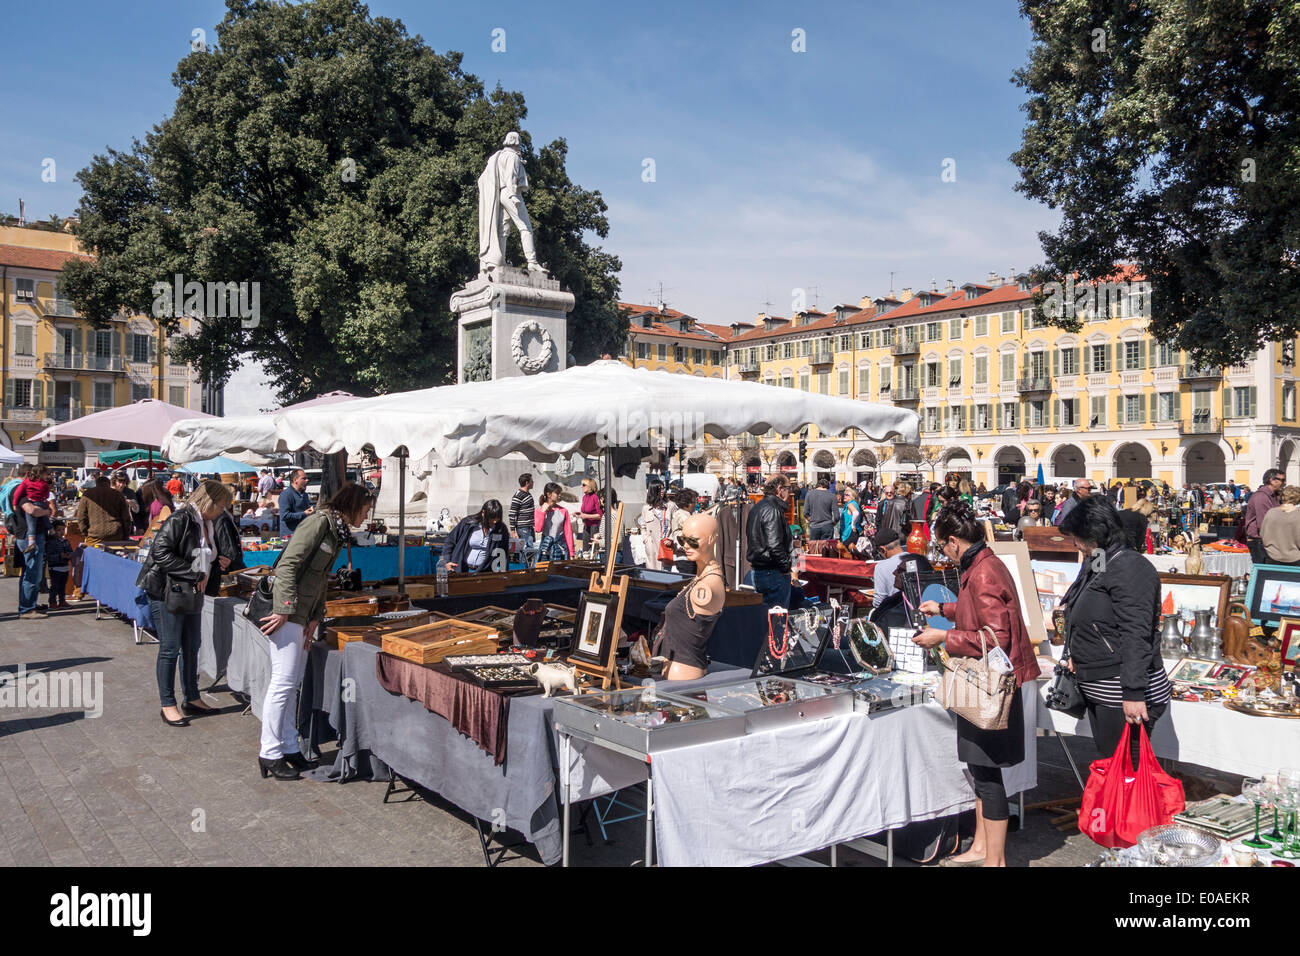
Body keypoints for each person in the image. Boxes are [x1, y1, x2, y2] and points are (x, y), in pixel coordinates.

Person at [914, 501, 1039, 868]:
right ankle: (983, 848)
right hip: (989, 683)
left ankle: (994, 861)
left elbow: (995, 636)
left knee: (987, 773)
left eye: (942, 547)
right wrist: (945, 611)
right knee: (981, 769)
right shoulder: (982, 564)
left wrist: (943, 637)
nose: (944, 555)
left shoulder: (983, 571)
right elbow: (979, 610)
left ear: (953, 541)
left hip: (992, 686)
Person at [258, 483, 375, 779]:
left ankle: (288, 746)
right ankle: (269, 752)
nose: (366, 515)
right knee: (284, 682)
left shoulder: (335, 529)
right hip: (288, 612)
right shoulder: (320, 523)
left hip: (301, 614)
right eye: (365, 509)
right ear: (353, 504)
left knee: (292, 681)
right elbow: (288, 565)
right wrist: (284, 607)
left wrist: (315, 617)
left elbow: (320, 579)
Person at [1058, 496, 1171, 769]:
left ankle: (1129, 813)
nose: (1075, 544)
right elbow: (1089, 611)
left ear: (1093, 534)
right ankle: (1115, 811)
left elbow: (1136, 633)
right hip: (1103, 685)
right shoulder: (1100, 559)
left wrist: (1133, 693)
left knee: (1126, 771)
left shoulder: (1130, 566)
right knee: (1113, 766)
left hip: (1122, 690)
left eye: (1077, 537)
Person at [138, 480, 235, 728]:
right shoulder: (181, 519)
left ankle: (192, 697)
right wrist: (195, 573)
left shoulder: (207, 523)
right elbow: (160, 553)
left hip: (190, 592)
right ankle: (167, 704)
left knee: (192, 645)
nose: (223, 510)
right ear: (210, 502)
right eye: (221, 505)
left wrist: (217, 561)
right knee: (170, 648)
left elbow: (200, 555)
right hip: (167, 592)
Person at [655, 513, 726, 681]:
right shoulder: (700, 578)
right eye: (682, 540)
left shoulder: (707, 586)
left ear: (711, 540)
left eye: (693, 541)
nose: (686, 546)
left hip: (684, 672)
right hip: (682, 669)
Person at [745, 474, 794, 608]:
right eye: (788, 489)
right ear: (779, 489)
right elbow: (775, 546)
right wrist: (786, 567)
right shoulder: (772, 509)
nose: (790, 493)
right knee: (776, 620)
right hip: (772, 572)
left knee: (765, 619)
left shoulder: (759, 507)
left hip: (761, 570)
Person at [444, 500, 510, 572]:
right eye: (491, 519)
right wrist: (447, 561)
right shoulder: (467, 523)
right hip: (461, 569)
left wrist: (503, 572)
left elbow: (503, 553)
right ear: (483, 513)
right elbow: (450, 541)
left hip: (484, 572)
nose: (494, 522)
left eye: (496, 519)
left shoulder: (501, 529)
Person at [75, 475, 133, 548]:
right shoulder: (118, 494)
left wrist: (86, 533)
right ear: (109, 484)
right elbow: (126, 518)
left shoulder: (87, 494)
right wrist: (125, 536)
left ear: (96, 483)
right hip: (115, 535)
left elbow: (81, 517)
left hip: (94, 536)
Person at [1244, 468, 1285, 562]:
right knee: (1263, 572)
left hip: (1269, 540)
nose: (1284, 483)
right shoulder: (1261, 496)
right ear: (1271, 480)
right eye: (1281, 480)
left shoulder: (1275, 495)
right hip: (1260, 541)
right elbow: (1264, 523)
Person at [16, 465, 53, 555]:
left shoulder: (25, 483)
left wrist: (14, 503)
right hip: (40, 503)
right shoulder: (43, 484)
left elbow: (17, 494)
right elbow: (33, 511)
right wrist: (46, 509)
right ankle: (51, 530)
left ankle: (31, 542)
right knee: (40, 520)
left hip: (33, 502)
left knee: (31, 525)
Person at [533, 482, 575, 562]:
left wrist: (571, 553)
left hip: (560, 550)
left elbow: (568, 533)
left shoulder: (563, 511)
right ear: (549, 494)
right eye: (557, 493)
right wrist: (543, 512)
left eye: (560, 493)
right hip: (545, 551)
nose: (559, 495)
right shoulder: (539, 511)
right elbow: (538, 529)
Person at [1261, 485, 1300, 566]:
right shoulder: (1298, 514)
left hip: (1272, 555)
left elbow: (1263, 534)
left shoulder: (1271, 512)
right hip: (1295, 557)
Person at [638, 481, 672, 571]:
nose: (662, 491)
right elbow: (643, 526)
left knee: (666, 573)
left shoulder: (669, 506)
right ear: (653, 491)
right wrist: (646, 540)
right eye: (659, 489)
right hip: (652, 546)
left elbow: (674, 527)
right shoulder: (646, 508)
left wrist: (670, 539)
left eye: (663, 488)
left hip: (665, 546)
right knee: (652, 573)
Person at [871, 527, 906, 609]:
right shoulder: (916, 558)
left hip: (895, 614)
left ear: (883, 549)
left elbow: (879, 602)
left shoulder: (881, 567)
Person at [45, 519, 74, 610]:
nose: (61, 532)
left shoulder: (65, 541)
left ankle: (62, 601)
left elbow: (70, 551)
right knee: (54, 586)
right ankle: (52, 602)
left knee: (62, 586)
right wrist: (60, 556)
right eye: (59, 530)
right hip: (55, 568)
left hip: (65, 567)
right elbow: (48, 556)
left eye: (63, 530)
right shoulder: (51, 542)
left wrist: (69, 555)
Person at [668, 488, 698, 573]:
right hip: (684, 557)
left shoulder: (687, 513)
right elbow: (692, 527)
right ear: (686, 503)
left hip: (688, 556)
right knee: (688, 582)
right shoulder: (682, 514)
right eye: (694, 502)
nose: (695, 504)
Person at [278, 468, 314, 535]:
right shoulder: (286, 494)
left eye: (307, 478)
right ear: (295, 480)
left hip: (303, 535)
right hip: (290, 538)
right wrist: (304, 513)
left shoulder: (305, 495)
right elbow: (284, 516)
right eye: (304, 478)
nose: (307, 480)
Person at [509, 474, 536, 552]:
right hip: (523, 528)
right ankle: (525, 564)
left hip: (529, 527)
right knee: (528, 549)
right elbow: (512, 513)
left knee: (529, 549)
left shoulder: (527, 494)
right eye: (532, 481)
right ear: (527, 483)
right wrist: (513, 531)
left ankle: (527, 564)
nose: (533, 482)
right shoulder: (518, 495)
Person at [578, 477, 603, 553]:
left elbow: (600, 515)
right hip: (586, 526)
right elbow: (585, 511)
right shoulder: (584, 497)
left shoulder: (595, 497)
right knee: (585, 550)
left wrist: (586, 516)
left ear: (590, 486)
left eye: (584, 485)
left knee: (594, 550)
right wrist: (580, 514)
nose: (581, 486)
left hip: (594, 526)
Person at [838, 486, 861, 557]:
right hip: (851, 532)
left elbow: (856, 513)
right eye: (844, 494)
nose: (845, 496)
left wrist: (853, 525)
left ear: (853, 497)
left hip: (849, 533)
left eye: (847, 495)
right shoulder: (853, 504)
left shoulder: (850, 504)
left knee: (846, 552)